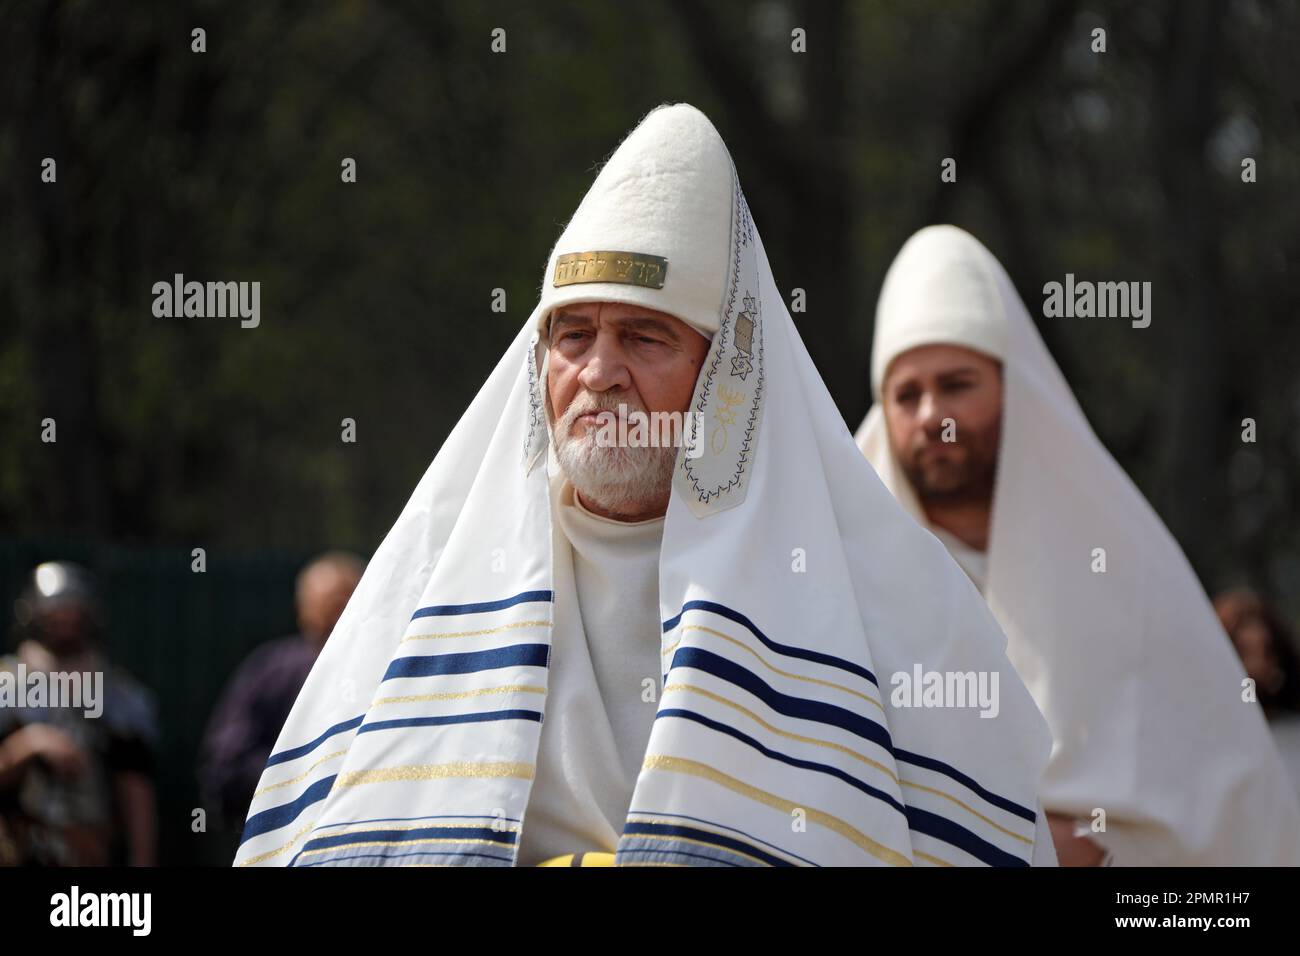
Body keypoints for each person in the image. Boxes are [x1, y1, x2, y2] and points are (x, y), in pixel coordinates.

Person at [235, 105, 1057, 868]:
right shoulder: (419, 605)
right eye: (571, 334)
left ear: (728, 380)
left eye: (644, 335)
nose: (597, 373)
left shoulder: (898, 612)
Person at [856, 224, 1300, 865]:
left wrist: (1098, 846)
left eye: (957, 384)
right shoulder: (847, 577)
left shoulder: (1123, 573)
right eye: (907, 394)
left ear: (1014, 392)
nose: (931, 415)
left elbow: (1230, 819)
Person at [0, 561, 158, 866]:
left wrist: (142, 859)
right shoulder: (8, 681)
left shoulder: (117, 691)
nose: (64, 621)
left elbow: (135, 784)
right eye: (55, 614)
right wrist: (29, 744)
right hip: (19, 846)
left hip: (90, 848)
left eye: (72, 612)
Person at [199, 551, 364, 833]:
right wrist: (305, 776)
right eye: (330, 604)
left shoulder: (389, 669)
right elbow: (226, 763)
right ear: (303, 609)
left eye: (348, 600)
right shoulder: (273, 671)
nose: (339, 612)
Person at [1215, 587, 1300, 799]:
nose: (1258, 666)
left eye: (1267, 651)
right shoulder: (1215, 742)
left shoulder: (1290, 734)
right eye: (1243, 651)